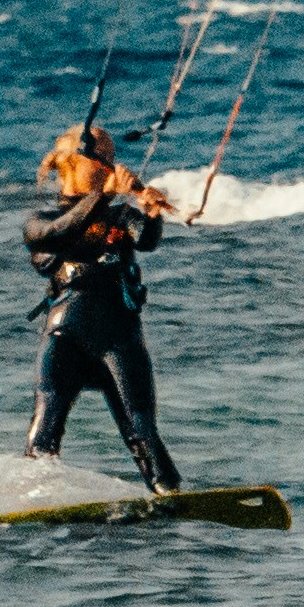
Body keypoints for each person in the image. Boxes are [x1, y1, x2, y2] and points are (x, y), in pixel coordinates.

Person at [21, 121, 187, 491]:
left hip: (119, 337)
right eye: (101, 158)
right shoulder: (41, 222)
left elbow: (144, 240)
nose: (110, 167)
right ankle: (34, 494)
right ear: (69, 163)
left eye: (112, 159)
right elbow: (54, 241)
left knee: (141, 428)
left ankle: (167, 492)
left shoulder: (119, 218)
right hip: (65, 335)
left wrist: (150, 211)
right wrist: (101, 197)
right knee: (45, 422)